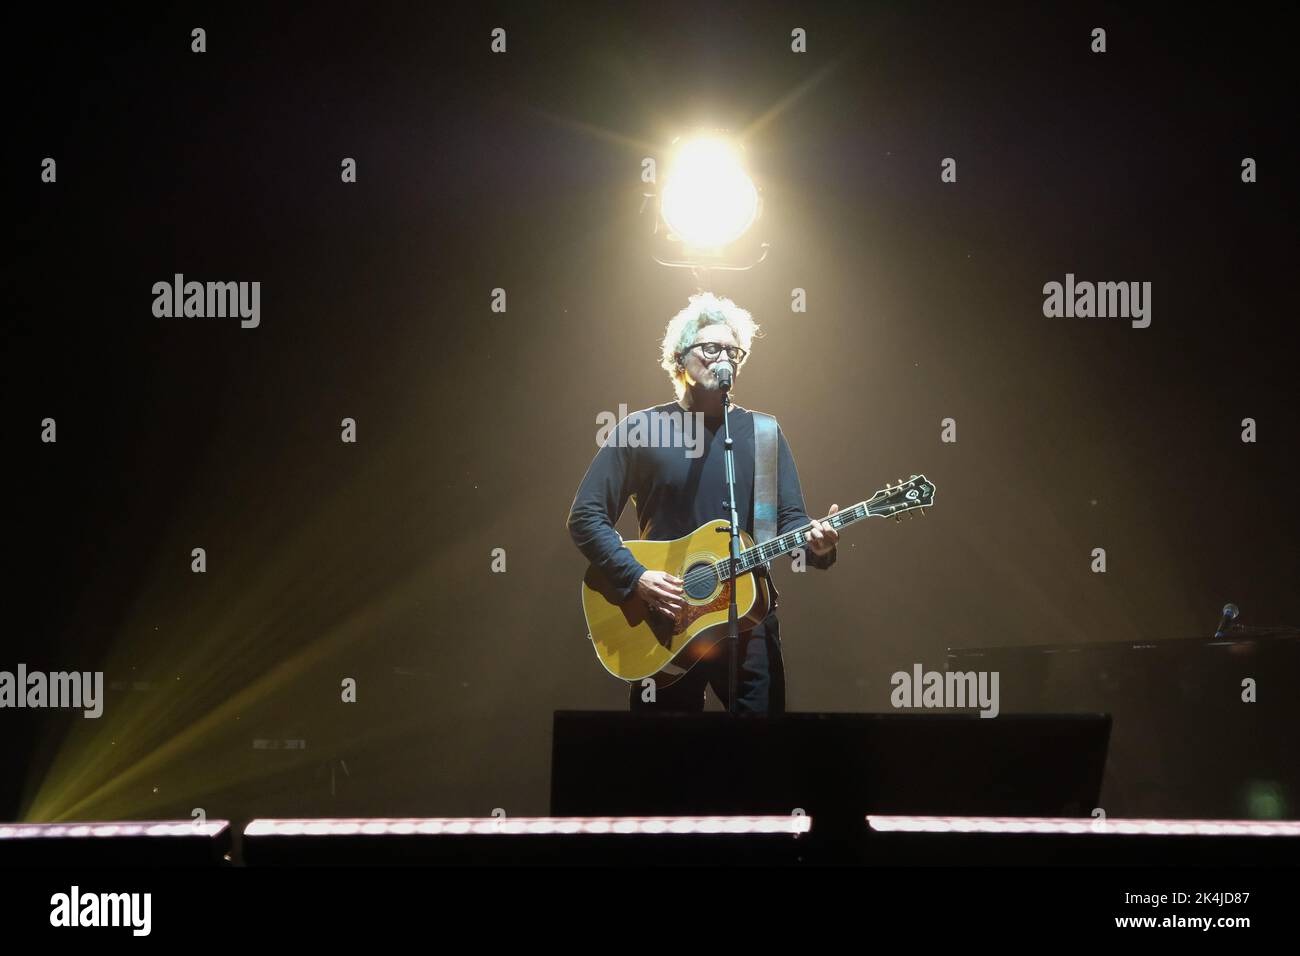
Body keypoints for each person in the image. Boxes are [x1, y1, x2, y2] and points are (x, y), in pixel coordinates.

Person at [567, 293, 839, 714]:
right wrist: (635, 576)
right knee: (667, 769)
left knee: (761, 765)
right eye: (710, 348)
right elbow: (585, 516)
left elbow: (786, 521)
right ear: (680, 357)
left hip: (748, 622)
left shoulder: (764, 434)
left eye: (733, 351)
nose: (723, 358)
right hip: (666, 621)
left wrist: (816, 545)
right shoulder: (642, 430)